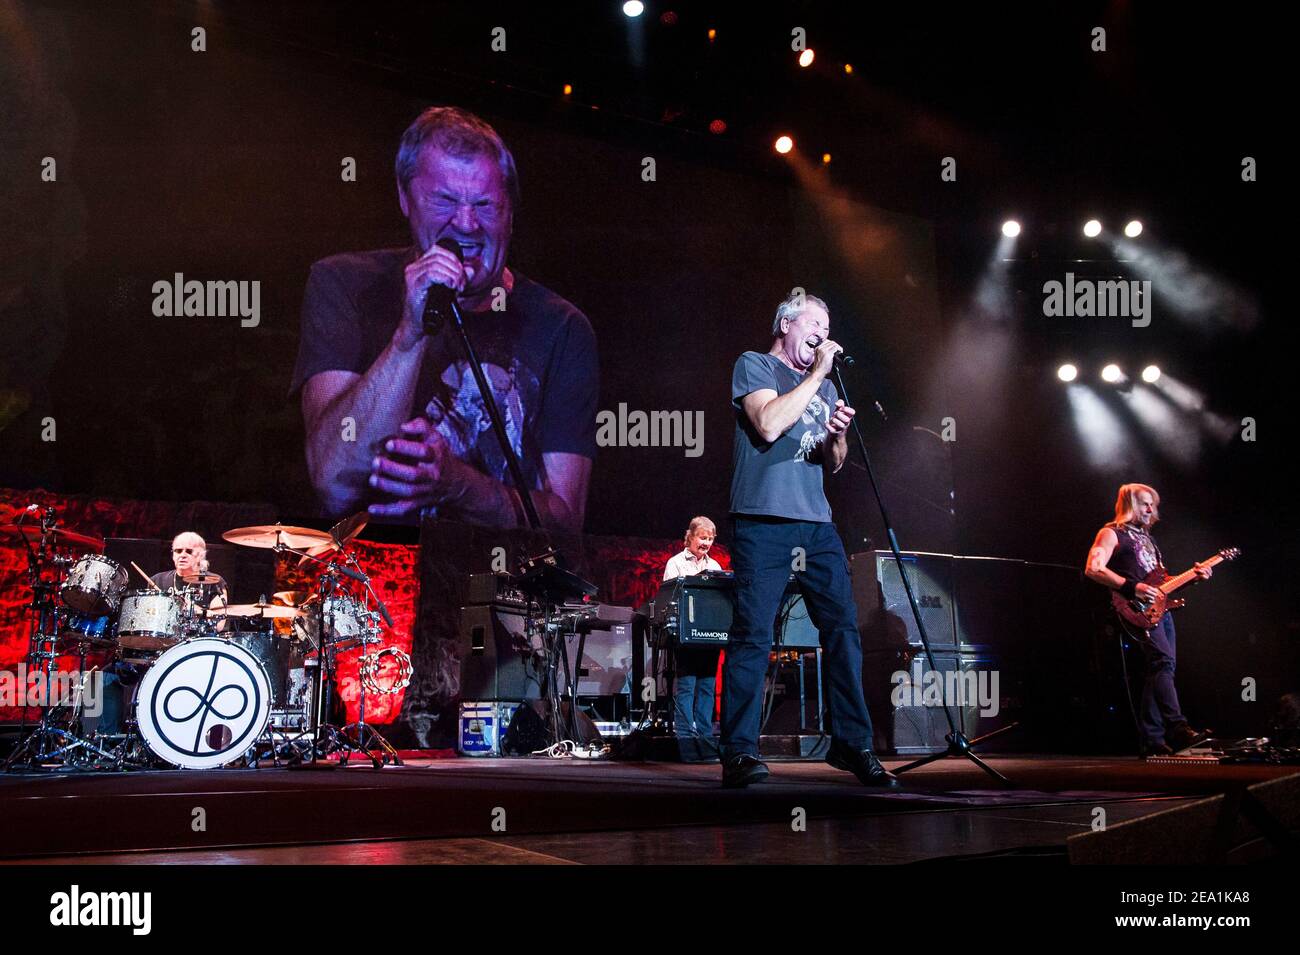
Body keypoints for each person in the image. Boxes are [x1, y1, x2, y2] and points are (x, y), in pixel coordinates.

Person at [291, 106, 597, 531]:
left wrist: (459, 485)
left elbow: (565, 524)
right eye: (446, 200)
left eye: (486, 205)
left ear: (510, 212)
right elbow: (334, 483)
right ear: (405, 198)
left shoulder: (561, 327)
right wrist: (410, 335)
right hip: (370, 583)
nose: (467, 223)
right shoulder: (345, 285)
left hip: (502, 587)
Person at [721, 290, 897, 788]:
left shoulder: (821, 390)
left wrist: (837, 434)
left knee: (843, 630)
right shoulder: (755, 365)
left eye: (828, 323)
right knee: (754, 635)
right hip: (763, 521)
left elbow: (832, 463)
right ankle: (738, 752)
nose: (824, 333)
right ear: (786, 324)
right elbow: (769, 424)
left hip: (817, 524)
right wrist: (818, 374)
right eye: (815, 321)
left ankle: (852, 743)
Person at [1084, 483, 1211, 757]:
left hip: (1159, 609)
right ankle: (1178, 727)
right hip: (1135, 607)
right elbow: (1094, 568)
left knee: (1161, 668)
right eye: (1144, 503)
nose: (1151, 509)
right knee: (1162, 663)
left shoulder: (1148, 538)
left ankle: (1152, 740)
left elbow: (1160, 585)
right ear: (1129, 505)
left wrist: (1193, 578)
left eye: (1153, 504)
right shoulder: (1111, 533)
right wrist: (1132, 587)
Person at [663, 516, 722, 751]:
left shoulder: (715, 566)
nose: (706, 542)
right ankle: (686, 737)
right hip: (685, 635)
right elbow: (668, 596)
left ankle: (706, 737)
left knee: (707, 686)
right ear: (690, 537)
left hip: (709, 635)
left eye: (709, 539)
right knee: (687, 685)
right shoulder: (675, 563)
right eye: (702, 537)